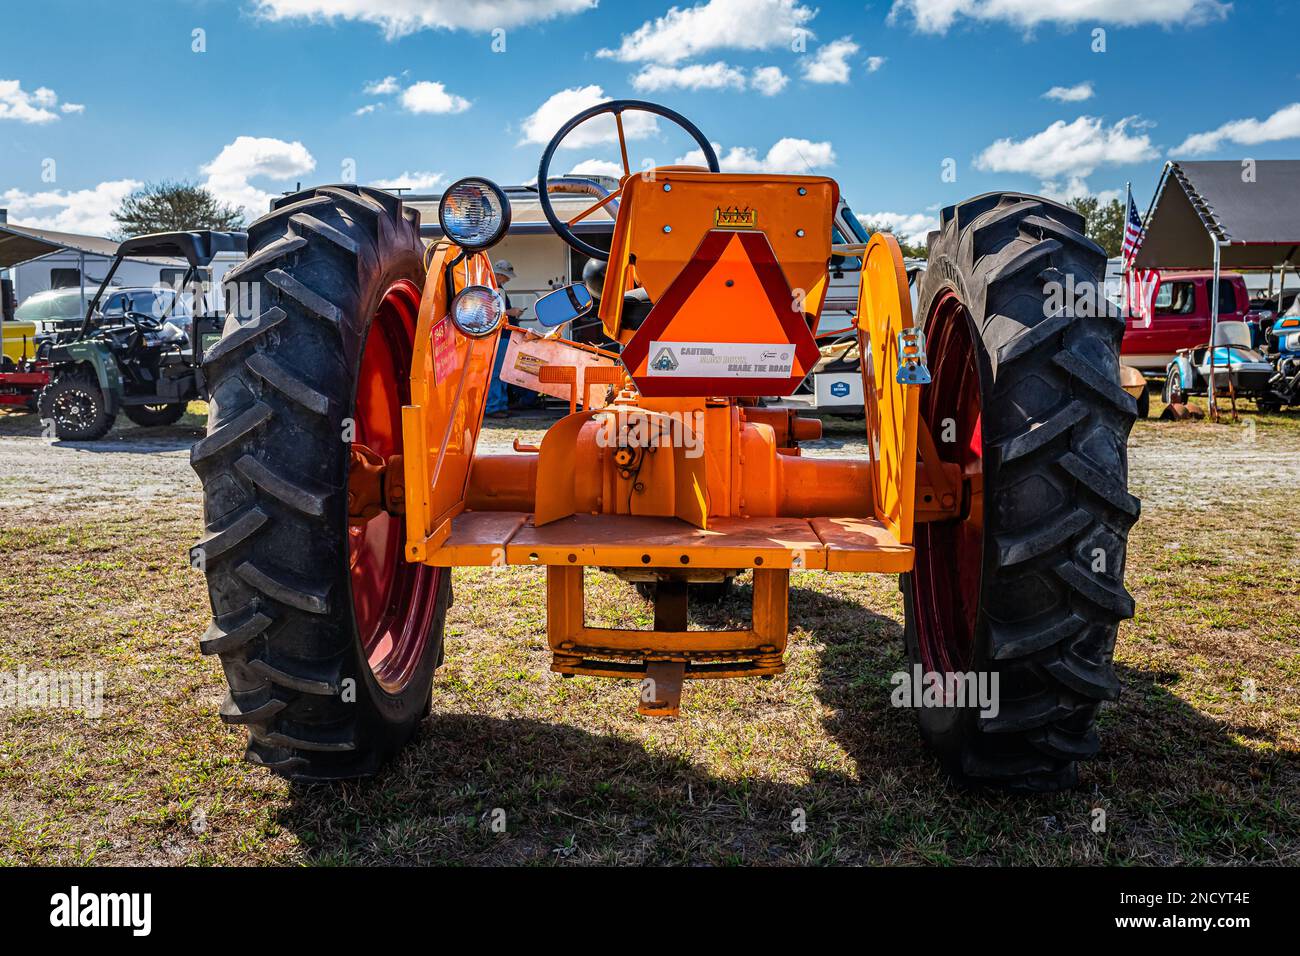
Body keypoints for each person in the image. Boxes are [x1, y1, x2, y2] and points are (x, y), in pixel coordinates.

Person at [485, 259, 523, 419]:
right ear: (500, 275)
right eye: (506, 277)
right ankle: (494, 406)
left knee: (501, 372)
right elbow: (491, 312)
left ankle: (499, 404)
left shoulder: (494, 288)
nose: (507, 279)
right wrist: (511, 312)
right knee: (498, 373)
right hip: (502, 336)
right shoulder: (494, 288)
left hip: (503, 335)